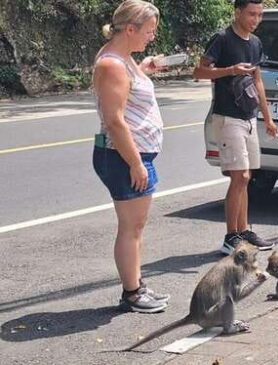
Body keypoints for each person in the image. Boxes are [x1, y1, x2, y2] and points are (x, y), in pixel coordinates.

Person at [92, 0, 170, 313]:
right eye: (148, 31)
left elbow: (128, 82)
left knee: (135, 227)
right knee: (131, 228)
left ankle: (136, 285)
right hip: (124, 156)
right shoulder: (111, 63)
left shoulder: (120, 57)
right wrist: (136, 163)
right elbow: (114, 120)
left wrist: (144, 68)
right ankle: (132, 292)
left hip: (131, 155)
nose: (151, 37)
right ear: (129, 29)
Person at [193, 0, 278, 255]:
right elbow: (198, 71)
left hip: (249, 117)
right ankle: (231, 236)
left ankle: (244, 231)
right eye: (252, 14)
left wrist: (268, 117)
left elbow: (257, 80)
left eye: (260, 15)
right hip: (227, 117)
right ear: (238, 12)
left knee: (247, 177)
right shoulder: (222, 38)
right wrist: (230, 70)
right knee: (239, 176)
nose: (256, 19)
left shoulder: (255, 43)